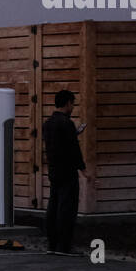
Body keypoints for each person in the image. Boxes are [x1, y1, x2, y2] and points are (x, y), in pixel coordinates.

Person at [42, 89, 94, 255]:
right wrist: (84, 170)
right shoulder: (66, 124)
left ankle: (52, 243)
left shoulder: (48, 124)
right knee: (67, 208)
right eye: (72, 103)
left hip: (54, 169)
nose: (73, 107)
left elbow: (56, 145)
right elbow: (73, 149)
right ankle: (64, 245)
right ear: (67, 103)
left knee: (54, 205)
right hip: (67, 171)